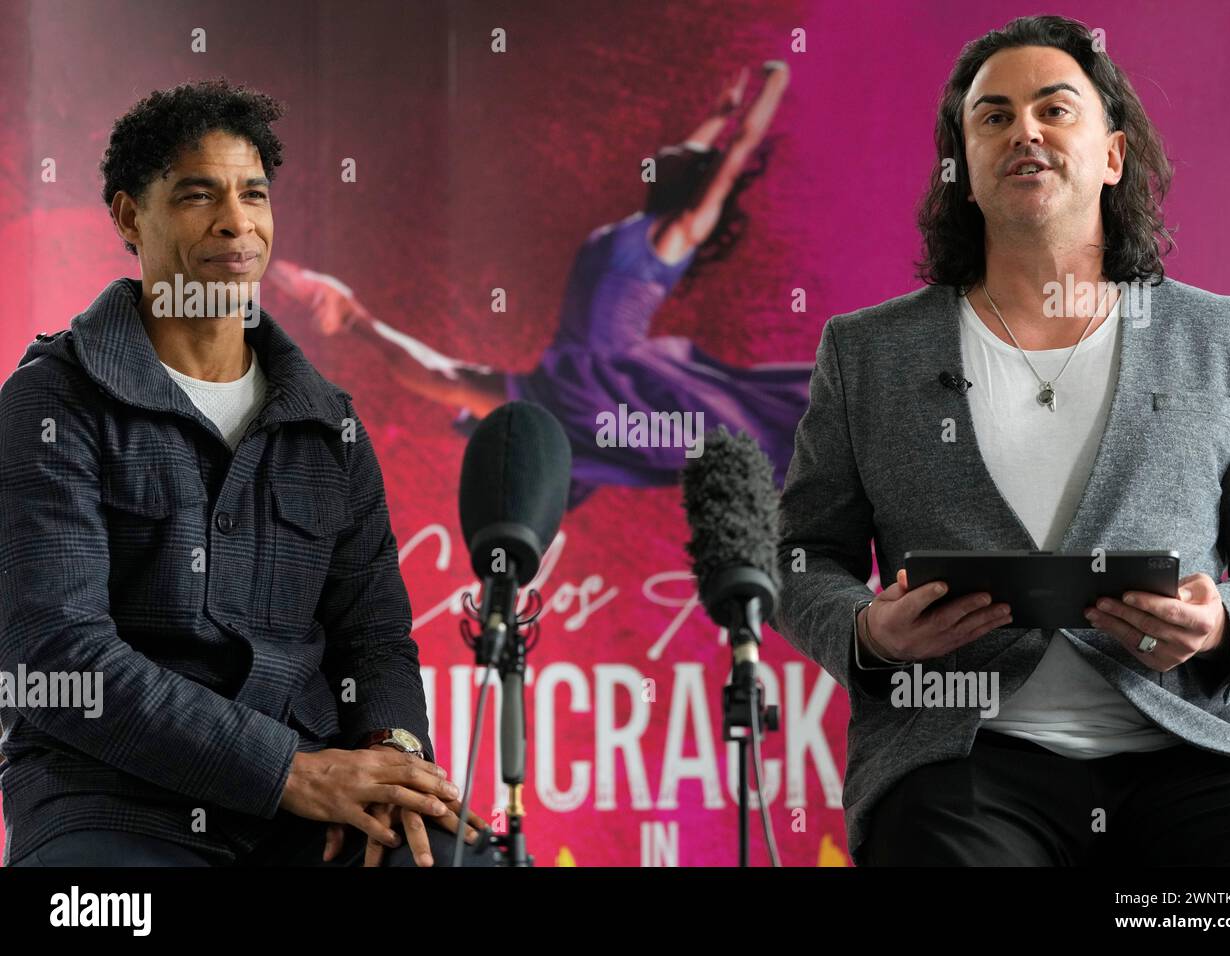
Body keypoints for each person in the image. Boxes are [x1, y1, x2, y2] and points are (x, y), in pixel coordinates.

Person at [776, 15, 1230, 865]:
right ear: (963, 174)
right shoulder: (866, 351)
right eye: (993, 116)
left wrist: (1224, 620)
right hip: (959, 762)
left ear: (1112, 156)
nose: (1024, 129)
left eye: (1056, 109)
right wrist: (869, 635)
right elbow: (800, 552)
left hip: (1184, 757)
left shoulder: (1226, 338)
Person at [0, 78, 491, 867]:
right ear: (130, 216)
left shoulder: (328, 423)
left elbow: (376, 638)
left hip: (312, 812)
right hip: (113, 808)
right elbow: (57, 656)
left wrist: (388, 757)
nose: (237, 223)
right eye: (199, 195)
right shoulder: (51, 403)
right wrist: (288, 772)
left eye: (253, 194)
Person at [265, 61, 811, 508]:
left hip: (603, 384)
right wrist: (718, 114)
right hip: (573, 368)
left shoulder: (678, 233)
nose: (672, 150)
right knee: (453, 381)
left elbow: (733, 160)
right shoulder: (645, 217)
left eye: (685, 156)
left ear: (688, 181)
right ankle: (350, 316)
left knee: (457, 384)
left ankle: (353, 317)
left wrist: (775, 86)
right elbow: (690, 157)